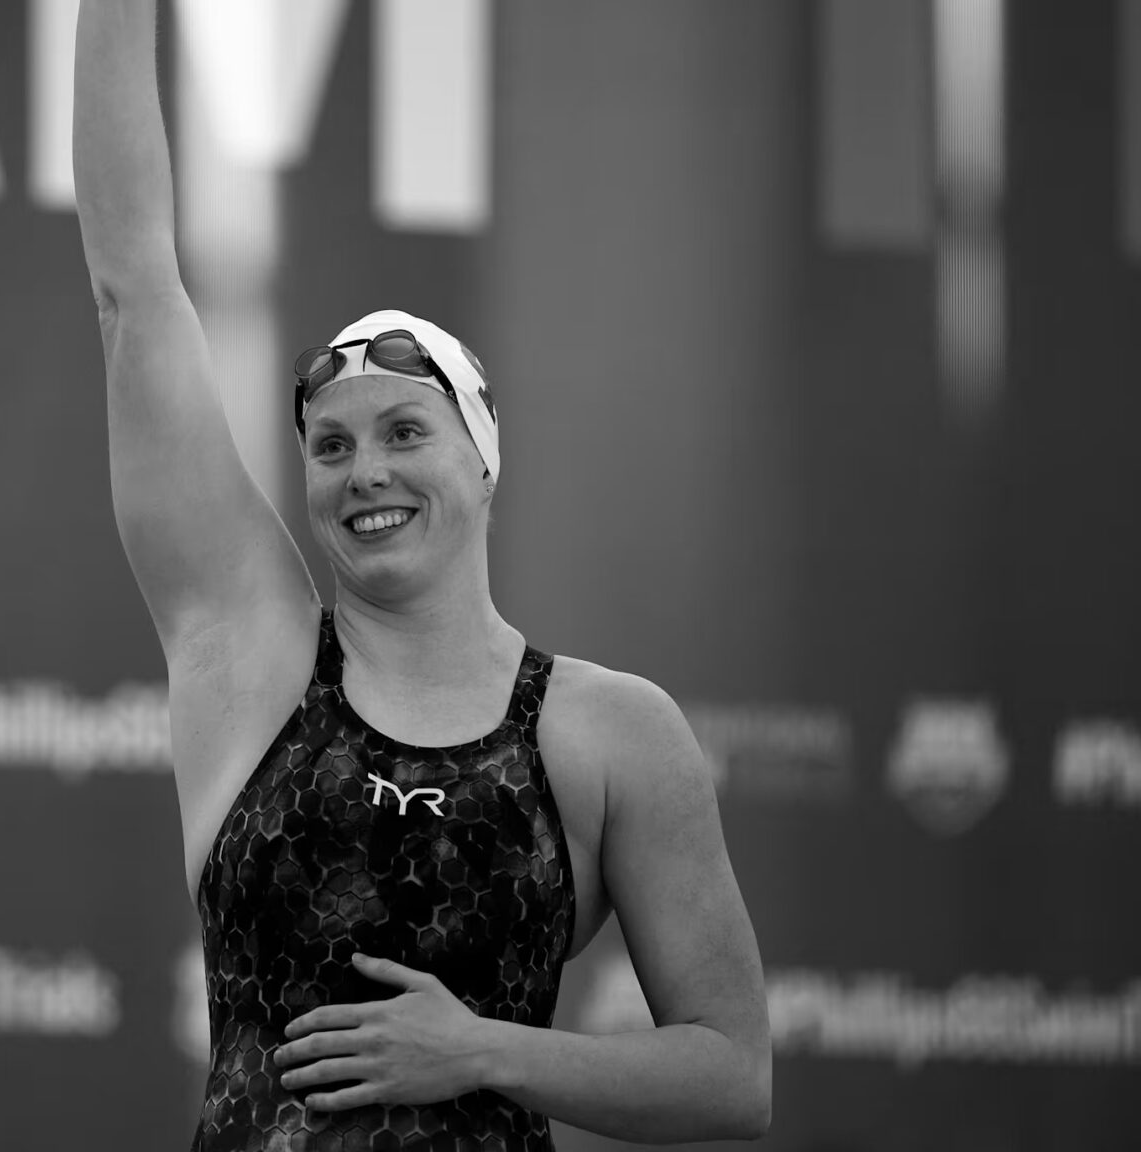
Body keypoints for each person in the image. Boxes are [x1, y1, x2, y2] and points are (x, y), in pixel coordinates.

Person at [71, 2, 772, 1148]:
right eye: (330, 446)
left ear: (482, 461)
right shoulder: (250, 660)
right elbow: (131, 287)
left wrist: (481, 1051)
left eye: (405, 432)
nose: (363, 472)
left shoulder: (608, 733)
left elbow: (729, 1073)